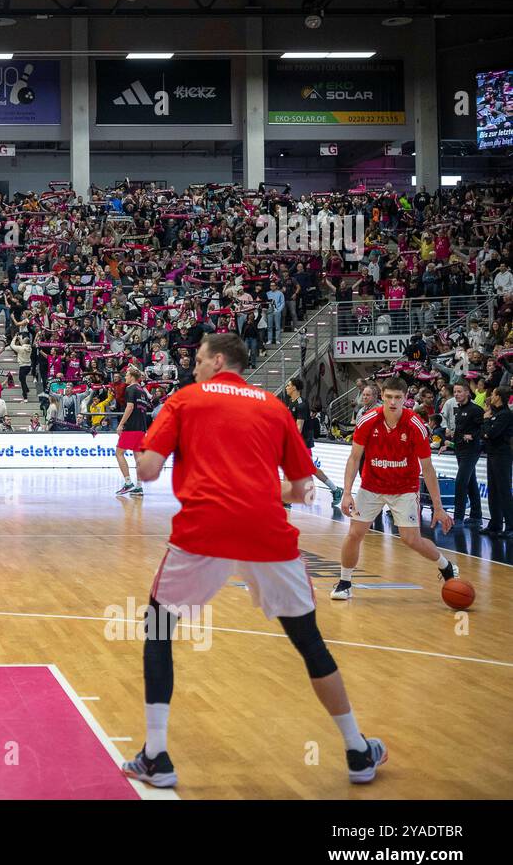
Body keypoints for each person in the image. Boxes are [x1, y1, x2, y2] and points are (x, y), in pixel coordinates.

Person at [126, 333, 387, 788]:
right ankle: (357, 750)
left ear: (219, 360)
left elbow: (147, 472)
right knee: (308, 640)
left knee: (159, 628)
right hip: (267, 531)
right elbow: (304, 489)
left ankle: (156, 755)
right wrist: (253, 493)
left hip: (204, 528)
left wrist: (146, 447)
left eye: (200, 360)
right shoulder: (273, 406)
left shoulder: (185, 400)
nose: (194, 368)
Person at [336, 377, 458, 601]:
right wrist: (346, 492)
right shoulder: (367, 421)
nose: (393, 402)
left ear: (405, 399)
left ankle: (446, 565)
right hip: (372, 485)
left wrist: (438, 508)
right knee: (354, 533)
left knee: (411, 539)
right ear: (382, 396)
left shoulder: (415, 425)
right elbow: (354, 458)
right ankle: (344, 582)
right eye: (389, 397)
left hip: (404, 488)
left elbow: (428, 469)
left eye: (398, 398)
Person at [283, 378, 343, 506]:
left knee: (311, 469)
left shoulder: (302, 404)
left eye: (288, 385)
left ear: (294, 388)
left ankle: (335, 489)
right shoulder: (291, 402)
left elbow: (299, 427)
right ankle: (286, 498)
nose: (286, 387)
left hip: (302, 442)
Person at [451, 381, 484, 527]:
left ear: (467, 392)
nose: (456, 394)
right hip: (460, 450)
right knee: (471, 482)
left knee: (460, 482)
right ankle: (476, 516)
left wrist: (473, 436)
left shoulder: (475, 410)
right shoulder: (458, 409)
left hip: (471, 450)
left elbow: (483, 428)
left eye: (459, 391)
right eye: (455, 392)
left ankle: (458, 518)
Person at [114, 367, 151, 496]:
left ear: (132, 377)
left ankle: (128, 482)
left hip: (131, 427)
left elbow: (130, 407)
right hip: (142, 427)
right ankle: (139, 487)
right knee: (138, 458)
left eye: (127, 375)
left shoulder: (130, 389)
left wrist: (121, 424)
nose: (125, 378)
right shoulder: (142, 391)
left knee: (119, 453)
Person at [481, 387, 513, 537]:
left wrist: (486, 421)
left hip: (502, 456)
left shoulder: (506, 414)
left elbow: (491, 434)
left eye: (493, 394)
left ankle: (511, 527)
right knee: (493, 491)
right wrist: (487, 427)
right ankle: (495, 524)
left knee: (504, 491)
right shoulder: (496, 414)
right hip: (492, 454)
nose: (491, 397)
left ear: (499, 397)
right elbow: (484, 434)